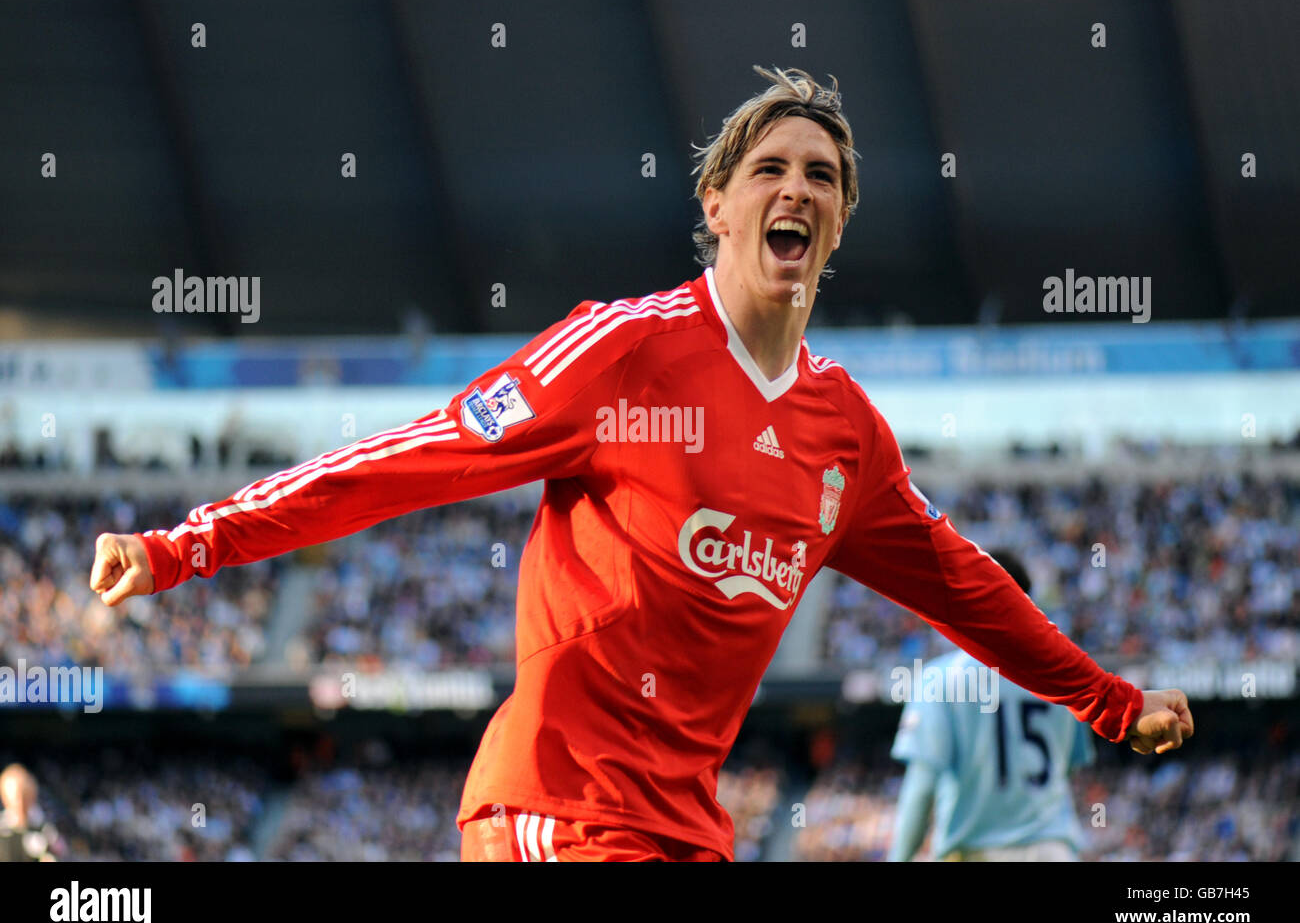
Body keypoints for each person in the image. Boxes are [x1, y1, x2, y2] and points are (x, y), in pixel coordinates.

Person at [89, 66, 1193, 862]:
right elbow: (412, 458)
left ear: (842, 219)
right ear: (717, 205)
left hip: (683, 830)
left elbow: (962, 586)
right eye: (768, 169)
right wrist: (188, 543)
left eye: (820, 174)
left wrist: (1106, 699)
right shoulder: (621, 352)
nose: (794, 189)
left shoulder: (843, 432)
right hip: (557, 811)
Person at [888, 550, 1097, 861]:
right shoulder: (1063, 675)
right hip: (1055, 851)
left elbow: (921, 789)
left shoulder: (941, 679)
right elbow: (1067, 767)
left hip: (977, 851)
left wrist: (900, 857)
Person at [0, 764, 60, 862]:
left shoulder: (43, 828)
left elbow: (56, 852)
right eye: (16, 797)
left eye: (25, 796)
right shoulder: (2, 831)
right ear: (5, 797)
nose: (21, 802)